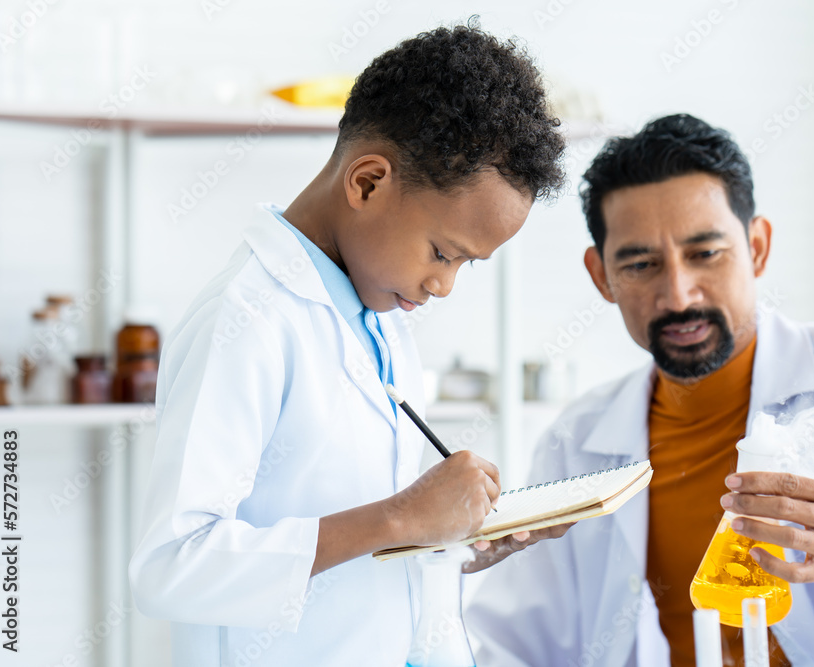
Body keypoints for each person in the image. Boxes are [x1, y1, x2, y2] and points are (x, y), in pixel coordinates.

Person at [467, 114, 814, 666]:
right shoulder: (575, 441)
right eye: (641, 264)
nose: (679, 294)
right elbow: (515, 646)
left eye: (705, 254)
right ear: (602, 277)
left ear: (757, 247)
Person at [128, 25, 565, 666]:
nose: (443, 285)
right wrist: (403, 518)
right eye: (443, 253)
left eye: (465, 265)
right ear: (366, 183)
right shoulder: (247, 318)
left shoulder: (377, 312)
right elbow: (172, 567)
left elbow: (340, 544)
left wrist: (449, 543)